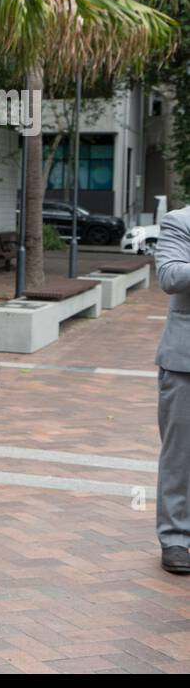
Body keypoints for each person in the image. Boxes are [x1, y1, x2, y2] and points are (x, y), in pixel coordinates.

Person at [155, 205, 190, 573]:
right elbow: (169, 276)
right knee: (181, 456)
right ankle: (176, 538)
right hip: (185, 362)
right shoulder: (180, 221)